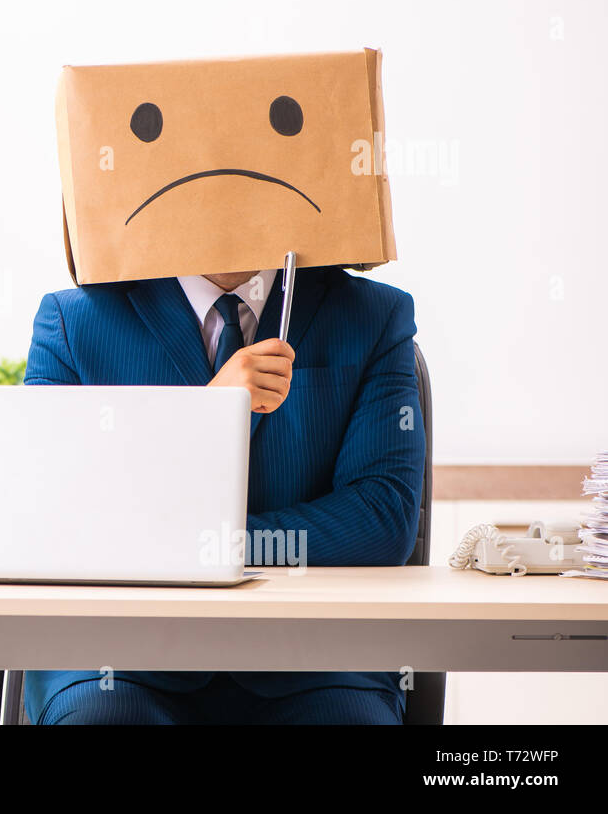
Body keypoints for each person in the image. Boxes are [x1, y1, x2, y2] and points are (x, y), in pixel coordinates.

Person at [22, 263, 426, 724]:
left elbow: (382, 517)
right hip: (118, 661)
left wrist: (209, 547)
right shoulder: (74, 320)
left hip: (315, 662)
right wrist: (207, 412)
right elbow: (52, 514)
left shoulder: (373, 313)